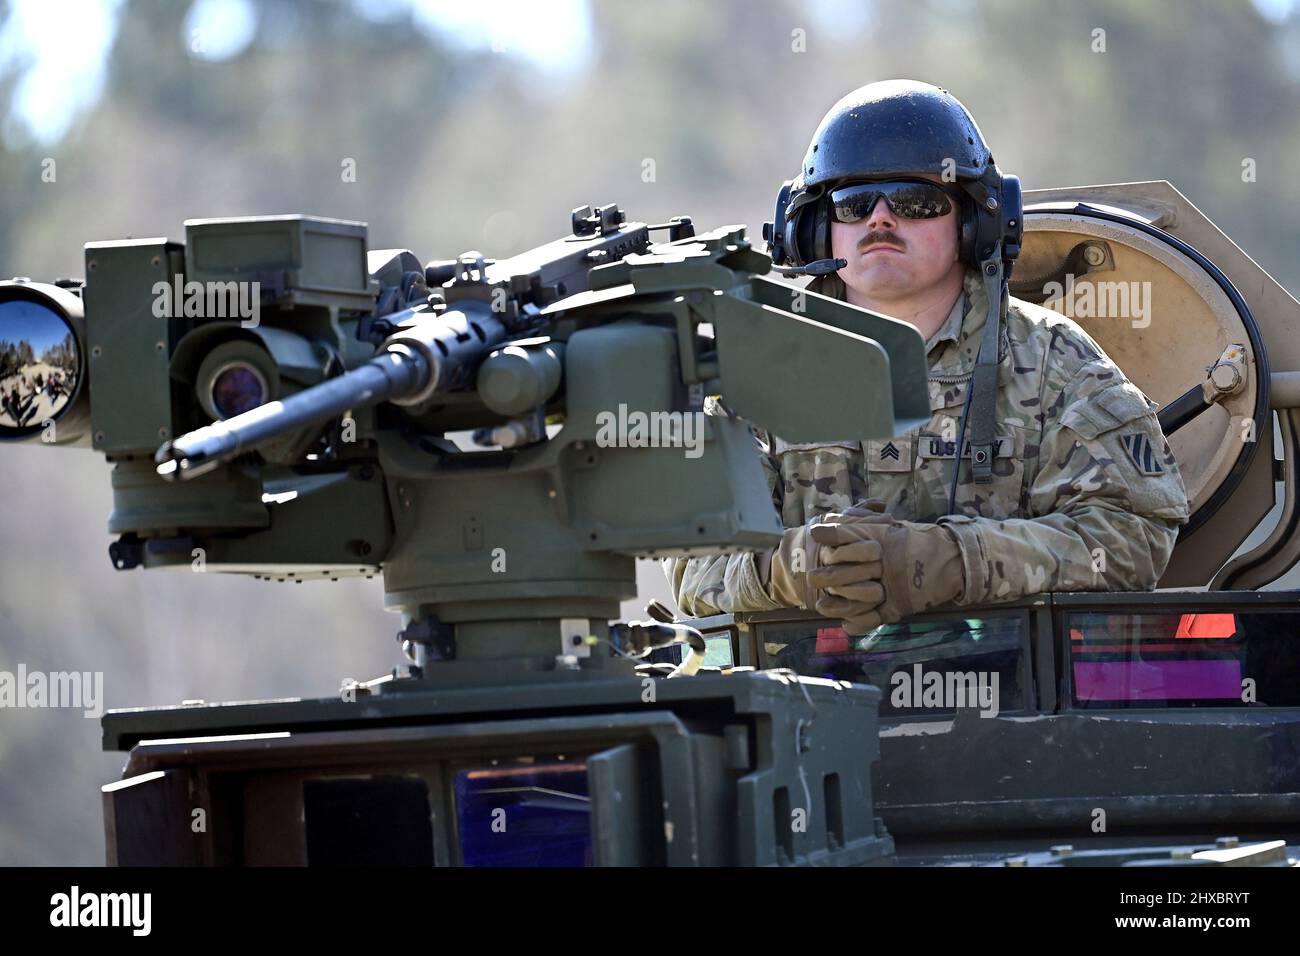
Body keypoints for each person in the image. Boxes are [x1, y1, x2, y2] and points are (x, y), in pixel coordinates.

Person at [663, 79, 1189, 639]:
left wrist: (950, 562)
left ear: (973, 223)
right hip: (810, 705)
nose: (881, 220)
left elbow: (1132, 537)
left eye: (916, 202)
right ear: (817, 231)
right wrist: (794, 570)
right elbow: (694, 566)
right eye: (853, 203)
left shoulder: (1056, 360)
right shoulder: (760, 372)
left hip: (1017, 703)